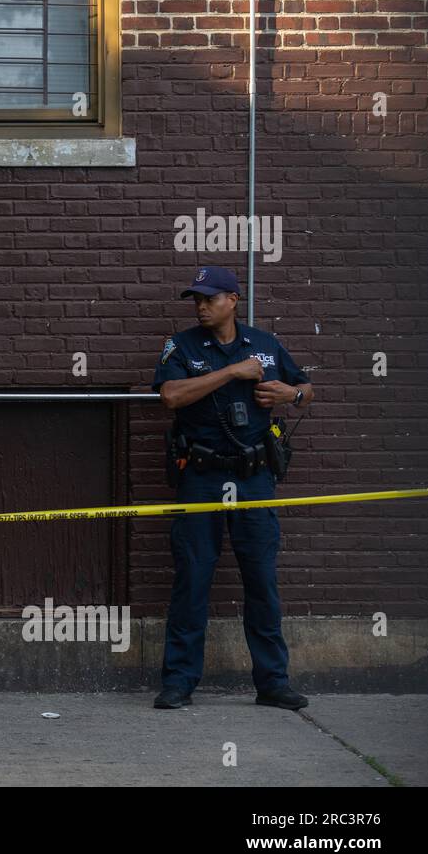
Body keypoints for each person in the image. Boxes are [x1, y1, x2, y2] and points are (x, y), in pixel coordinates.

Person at [151, 265, 314, 711]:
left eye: (209, 299)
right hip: (201, 475)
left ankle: (273, 683)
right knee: (192, 577)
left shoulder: (264, 344)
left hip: (254, 476)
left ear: (233, 300)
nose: (201, 307)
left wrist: (290, 396)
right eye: (196, 300)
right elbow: (170, 396)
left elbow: (306, 388)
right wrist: (231, 372)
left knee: (261, 579)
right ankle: (179, 682)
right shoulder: (182, 345)